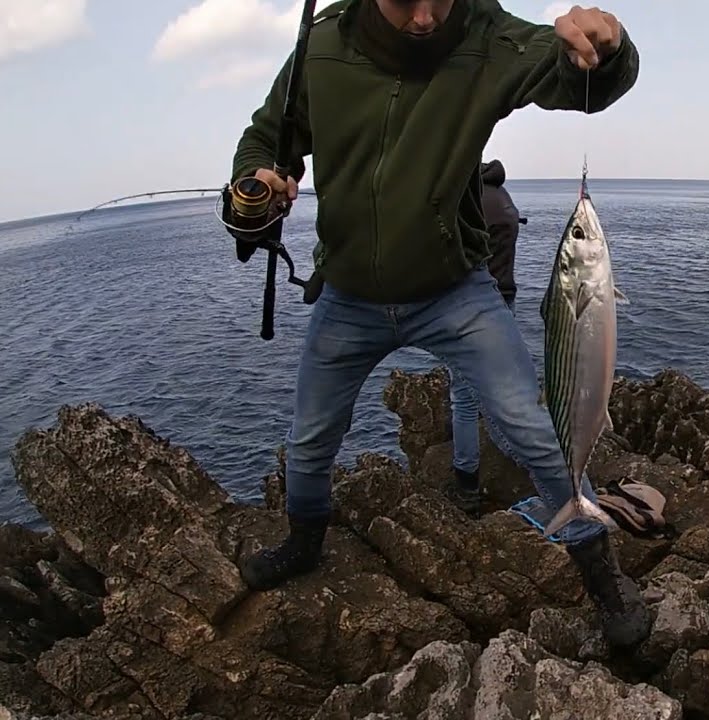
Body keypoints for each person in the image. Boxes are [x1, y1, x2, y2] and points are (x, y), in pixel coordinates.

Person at [227, 0, 648, 648]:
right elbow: (267, 137)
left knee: (534, 428)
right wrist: (254, 182)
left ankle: (602, 576)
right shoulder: (324, 46)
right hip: (348, 297)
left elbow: (575, 77)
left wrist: (607, 47)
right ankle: (303, 540)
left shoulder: (486, 35)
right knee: (310, 438)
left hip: (455, 293)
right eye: (406, 0)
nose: (425, 18)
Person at [447, 157, 524, 515]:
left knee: (464, 400)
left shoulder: (469, 199)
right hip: (505, 300)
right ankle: (534, 460)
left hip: (472, 305)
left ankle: (466, 485)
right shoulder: (501, 195)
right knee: (508, 390)